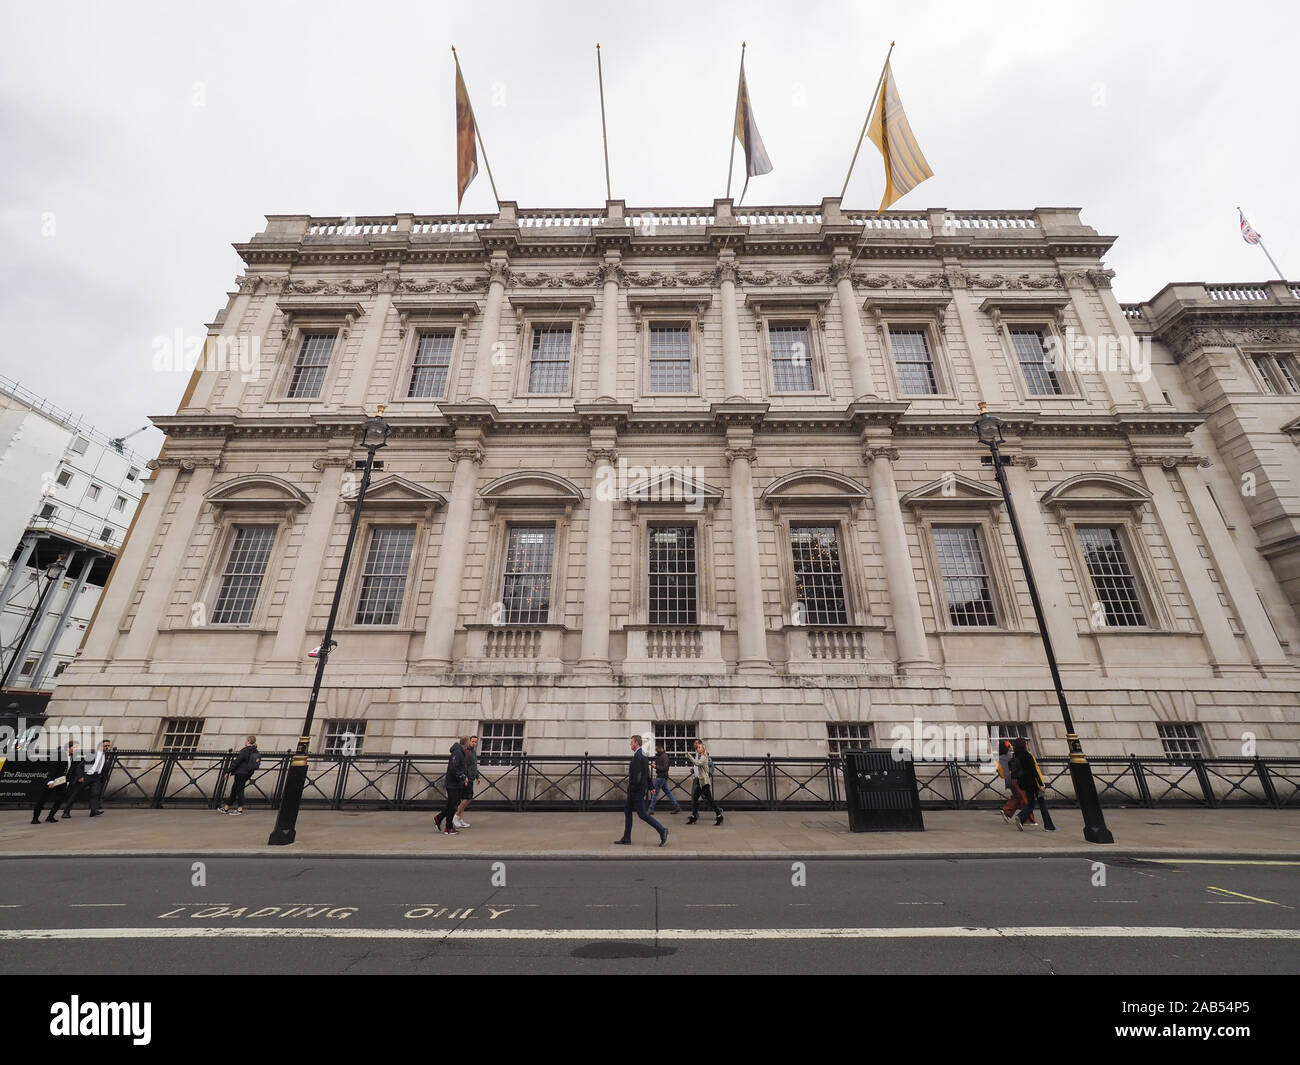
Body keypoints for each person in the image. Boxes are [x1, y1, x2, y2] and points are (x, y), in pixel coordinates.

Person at [614, 734, 667, 846]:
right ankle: (626, 837)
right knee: (627, 810)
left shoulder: (638, 756)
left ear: (636, 743)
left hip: (636, 790)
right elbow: (646, 772)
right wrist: (651, 787)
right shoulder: (642, 754)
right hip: (637, 789)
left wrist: (632, 789)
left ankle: (662, 830)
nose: (630, 744)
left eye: (631, 742)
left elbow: (638, 776)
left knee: (642, 814)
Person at [1011, 738, 1055, 831]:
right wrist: (1041, 784)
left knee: (1031, 803)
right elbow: (1035, 771)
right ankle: (1049, 826)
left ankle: (1021, 817)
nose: (1028, 745)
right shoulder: (1028, 756)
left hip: (1025, 784)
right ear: (1024, 745)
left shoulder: (1016, 757)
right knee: (1042, 804)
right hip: (1034, 783)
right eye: (1026, 744)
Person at [32, 740, 81, 825]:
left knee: (60, 798)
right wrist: (51, 781)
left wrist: (67, 781)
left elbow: (70, 770)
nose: (75, 749)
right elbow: (52, 769)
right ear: (68, 747)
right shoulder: (59, 755)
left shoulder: (73, 757)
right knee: (43, 799)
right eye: (74, 747)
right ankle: (35, 818)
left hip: (62, 781)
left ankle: (51, 816)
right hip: (53, 780)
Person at [217, 736, 261, 815]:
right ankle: (226, 808)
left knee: (239, 790)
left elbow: (237, 761)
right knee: (234, 789)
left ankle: (239, 809)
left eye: (245, 740)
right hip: (248, 772)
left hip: (241, 773)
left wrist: (228, 771)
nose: (245, 742)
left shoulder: (245, 750)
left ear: (248, 741)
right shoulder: (256, 750)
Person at [435, 737, 469, 835]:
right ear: (466, 743)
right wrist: (463, 777)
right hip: (452, 783)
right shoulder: (457, 752)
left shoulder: (460, 752)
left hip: (457, 783)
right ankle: (448, 827)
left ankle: (440, 818)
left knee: (454, 804)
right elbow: (453, 767)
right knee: (452, 805)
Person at [685, 739, 723, 826]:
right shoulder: (699, 755)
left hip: (704, 781)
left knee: (709, 799)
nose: (697, 748)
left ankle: (719, 814)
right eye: (697, 747)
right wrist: (693, 770)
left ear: (703, 749)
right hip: (699, 780)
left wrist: (688, 755)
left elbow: (697, 763)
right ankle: (694, 816)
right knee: (695, 798)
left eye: (699, 747)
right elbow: (697, 766)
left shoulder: (704, 757)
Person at [646, 743, 681, 816]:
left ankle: (651, 809)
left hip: (661, 777)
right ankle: (676, 806)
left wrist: (655, 767)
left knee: (655, 793)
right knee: (668, 792)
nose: (656, 751)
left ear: (660, 748)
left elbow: (665, 768)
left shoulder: (664, 757)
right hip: (663, 777)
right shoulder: (662, 756)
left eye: (657, 749)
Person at [455, 735, 480, 828]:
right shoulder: (466, 752)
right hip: (467, 778)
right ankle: (456, 816)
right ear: (469, 742)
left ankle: (460, 819)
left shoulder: (473, 752)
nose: (474, 743)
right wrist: (464, 778)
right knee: (467, 798)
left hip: (471, 777)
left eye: (475, 742)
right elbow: (464, 766)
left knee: (464, 799)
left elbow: (473, 766)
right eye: (472, 741)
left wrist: (477, 776)